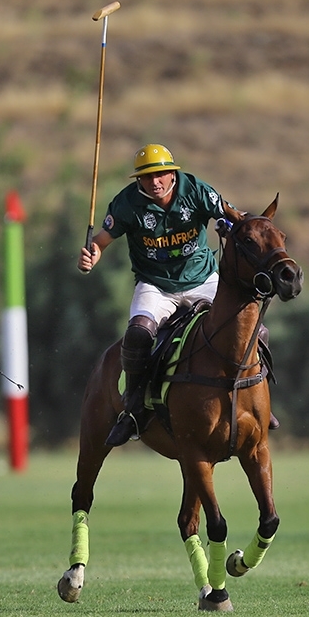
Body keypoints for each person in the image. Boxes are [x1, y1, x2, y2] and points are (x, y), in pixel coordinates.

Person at [79, 143, 276, 447]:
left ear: (172, 173)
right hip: (156, 286)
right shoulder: (126, 203)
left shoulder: (195, 190)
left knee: (256, 330)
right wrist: (92, 253)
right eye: (146, 177)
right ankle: (133, 407)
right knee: (138, 334)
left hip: (203, 279)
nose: (154, 182)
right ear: (138, 181)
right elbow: (102, 240)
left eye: (160, 174)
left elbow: (233, 214)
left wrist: (250, 227)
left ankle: (260, 403)